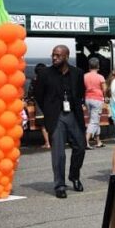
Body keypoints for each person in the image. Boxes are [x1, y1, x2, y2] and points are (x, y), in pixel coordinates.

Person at [33, 45, 86, 198]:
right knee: (59, 153)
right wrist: (49, 110)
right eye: (53, 55)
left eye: (58, 55)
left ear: (66, 56)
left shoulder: (77, 73)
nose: (54, 58)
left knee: (80, 147)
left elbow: (80, 93)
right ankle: (60, 185)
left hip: (73, 115)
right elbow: (38, 95)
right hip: (55, 116)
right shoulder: (45, 74)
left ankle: (74, 176)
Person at [83, 58, 106, 148]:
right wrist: (106, 97)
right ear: (98, 66)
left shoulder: (84, 76)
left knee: (94, 119)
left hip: (88, 98)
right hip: (97, 99)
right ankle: (86, 141)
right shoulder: (100, 77)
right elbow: (104, 89)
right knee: (94, 121)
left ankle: (98, 141)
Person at [31, 63, 51, 149]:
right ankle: (54, 141)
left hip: (39, 106)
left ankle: (47, 143)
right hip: (50, 105)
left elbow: (30, 93)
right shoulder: (50, 80)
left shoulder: (34, 81)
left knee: (43, 125)